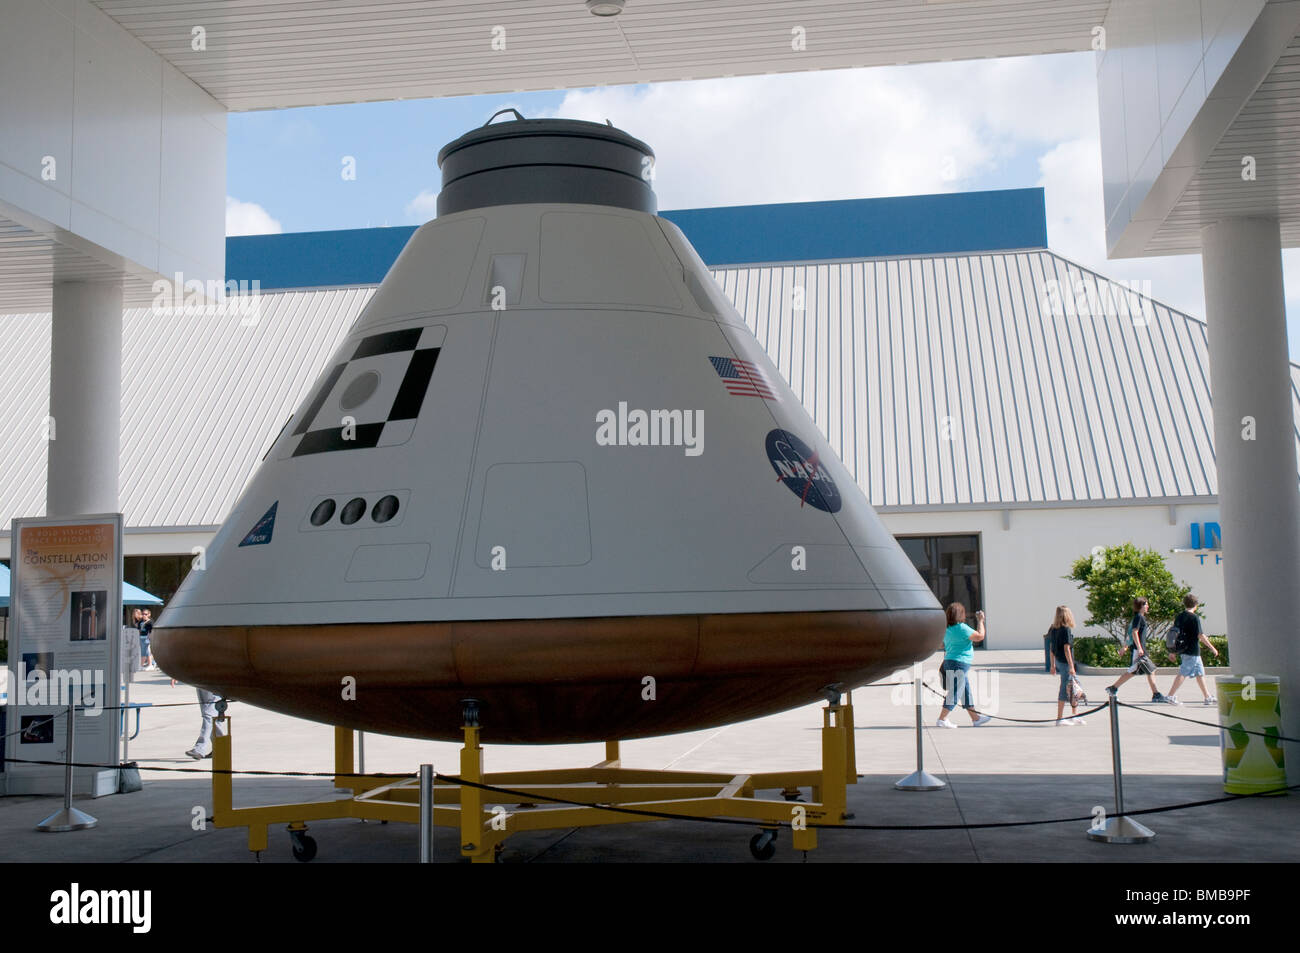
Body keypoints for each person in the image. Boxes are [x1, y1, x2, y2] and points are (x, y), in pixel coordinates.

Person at [936, 603, 992, 728]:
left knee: (965, 691)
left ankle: (975, 718)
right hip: (960, 663)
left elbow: (941, 645)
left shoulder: (946, 629)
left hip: (949, 661)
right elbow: (980, 636)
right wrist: (981, 621)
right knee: (956, 691)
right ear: (961, 615)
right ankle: (942, 718)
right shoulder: (962, 628)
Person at [1106, 596, 1170, 702]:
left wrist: (1125, 647)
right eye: (1146, 604)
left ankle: (1113, 688)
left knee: (1146, 670)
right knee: (1145, 670)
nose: (1148, 606)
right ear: (1141, 606)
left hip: (1139, 649)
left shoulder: (1138, 617)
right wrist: (1139, 648)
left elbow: (1131, 634)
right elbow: (1134, 632)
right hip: (1139, 650)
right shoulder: (1139, 617)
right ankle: (1156, 694)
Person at [1164, 593, 1219, 706]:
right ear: (1196, 605)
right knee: (1183, 673)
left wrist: (1172, 651)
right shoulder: (1194, 618)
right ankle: (1170, 696)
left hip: (1183, 649)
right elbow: (1200, 635)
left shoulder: (1180, 616)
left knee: (1200, 673)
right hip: (1192, 650)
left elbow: (1174, 634)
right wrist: (1213, 648)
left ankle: (1207, 696)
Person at [1048, 605, 1086, 726]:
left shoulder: (1053, 629)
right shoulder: (1065, 630)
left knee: (1074, 688)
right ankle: (1059, 718)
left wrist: (1052, 665)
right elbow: (1066, 649)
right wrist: (1071, 666)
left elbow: (1051, 648)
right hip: (1065, 663)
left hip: (1059, 661)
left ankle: (1074, 715)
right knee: (1066, 689)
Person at [186, 687, 228, 760]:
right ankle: (220, 749)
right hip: (199, 681)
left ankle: (199, 749)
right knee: (213, 717)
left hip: (213, 683)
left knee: (208, 715)